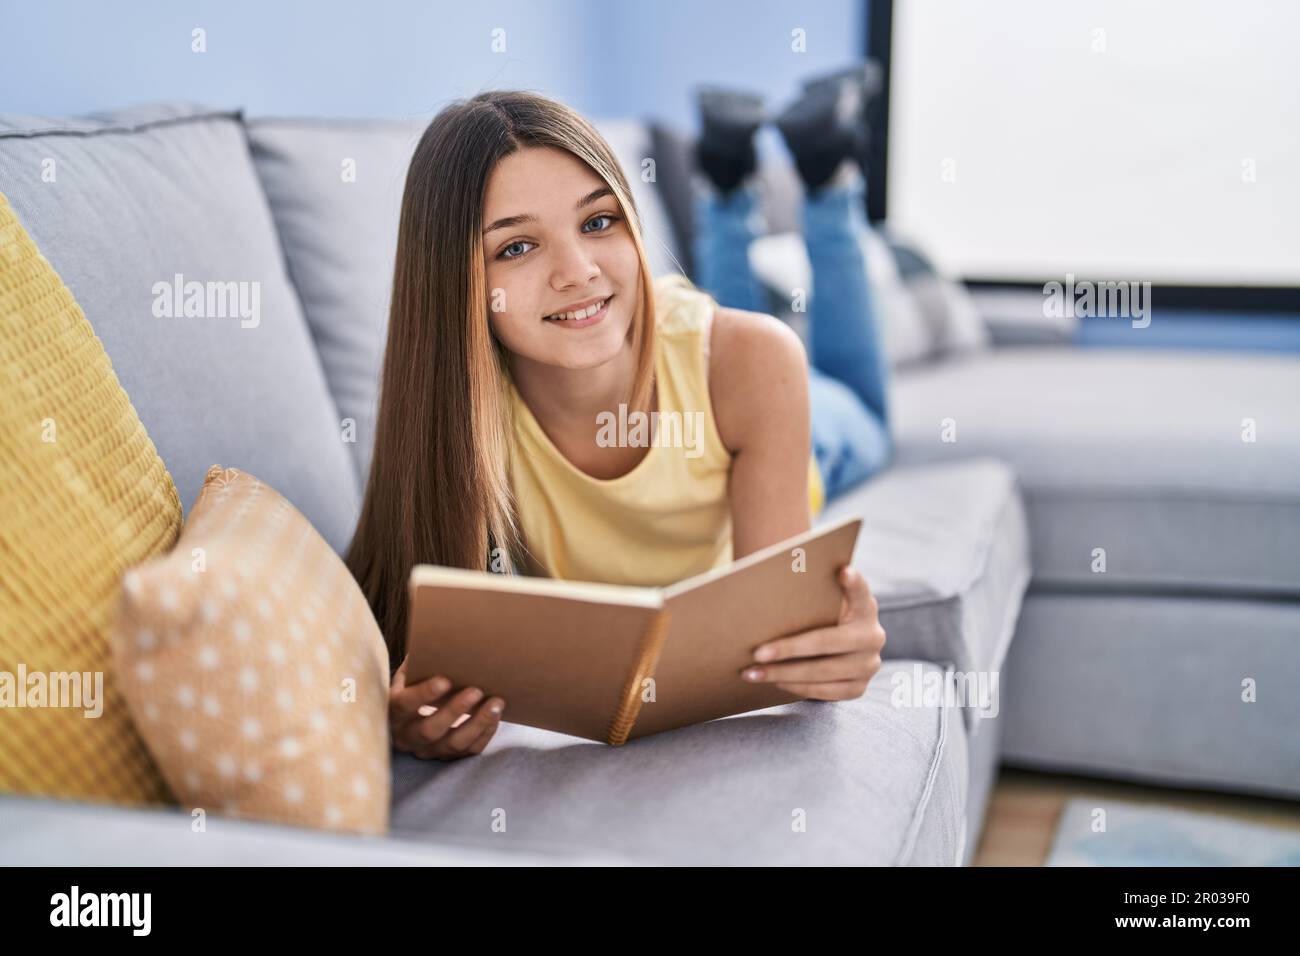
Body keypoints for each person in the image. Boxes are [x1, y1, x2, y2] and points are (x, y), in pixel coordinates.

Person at [347, 81, 889, 761]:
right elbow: (404, 643)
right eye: (516, 248)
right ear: (455, 282)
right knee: (734, 330)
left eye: (599, 222)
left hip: (806, 435)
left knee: (863, 405)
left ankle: (828, 175)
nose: (577, 271)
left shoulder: (754, 362)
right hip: (692, 352)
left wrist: (836, 654)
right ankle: (725, 180)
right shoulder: (461, 418)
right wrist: (399, 713)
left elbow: (783, 651)